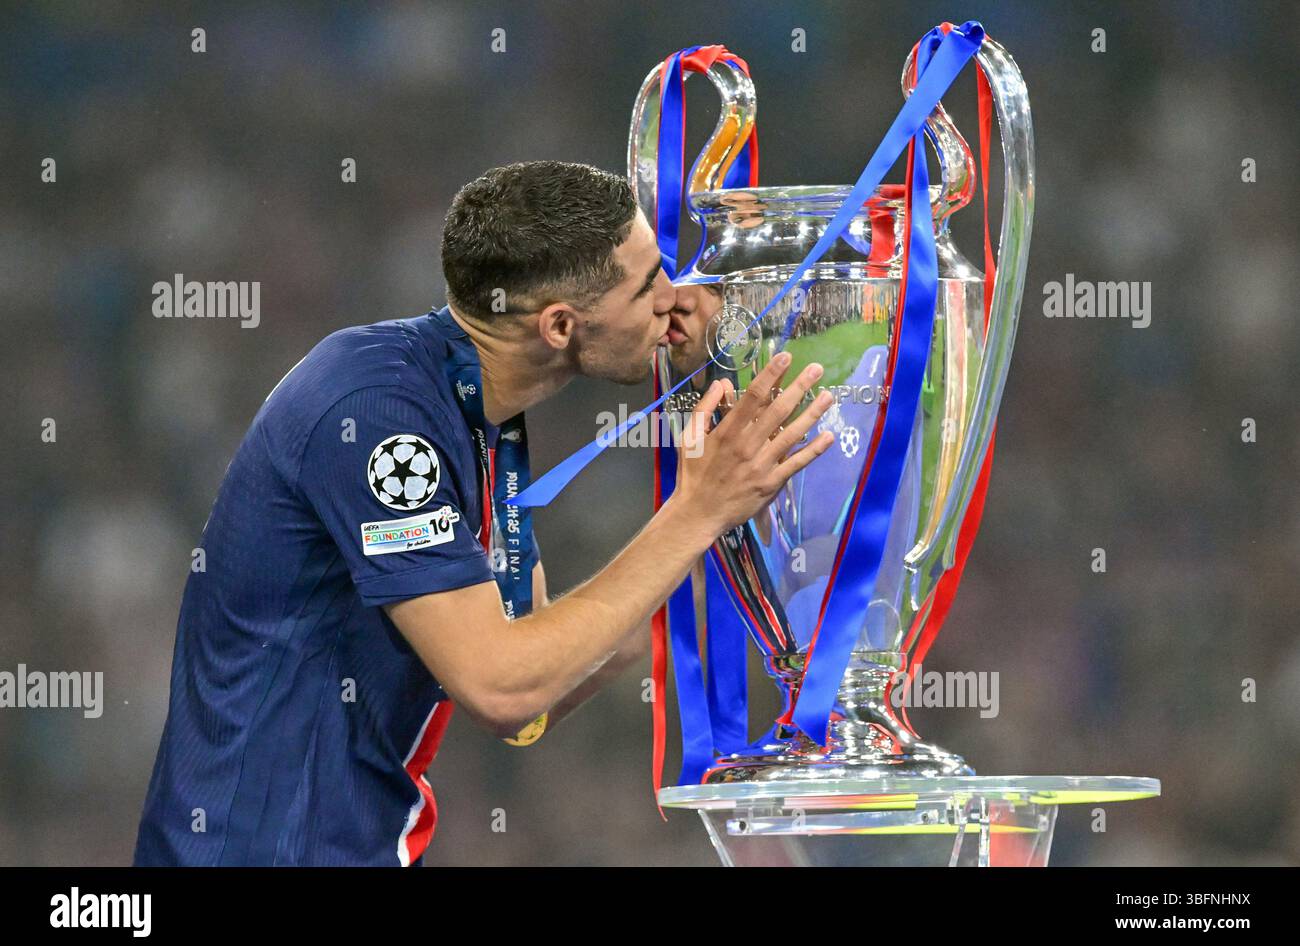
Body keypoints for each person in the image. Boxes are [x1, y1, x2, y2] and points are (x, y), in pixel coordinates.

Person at [133, 161, 835, 866]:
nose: (675, 300)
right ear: (560, 325)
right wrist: (694, 513)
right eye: (649, 281)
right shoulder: (376, 416)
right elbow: (502, 685)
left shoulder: (480, 417)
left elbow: (536, 687)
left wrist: (715, 544)